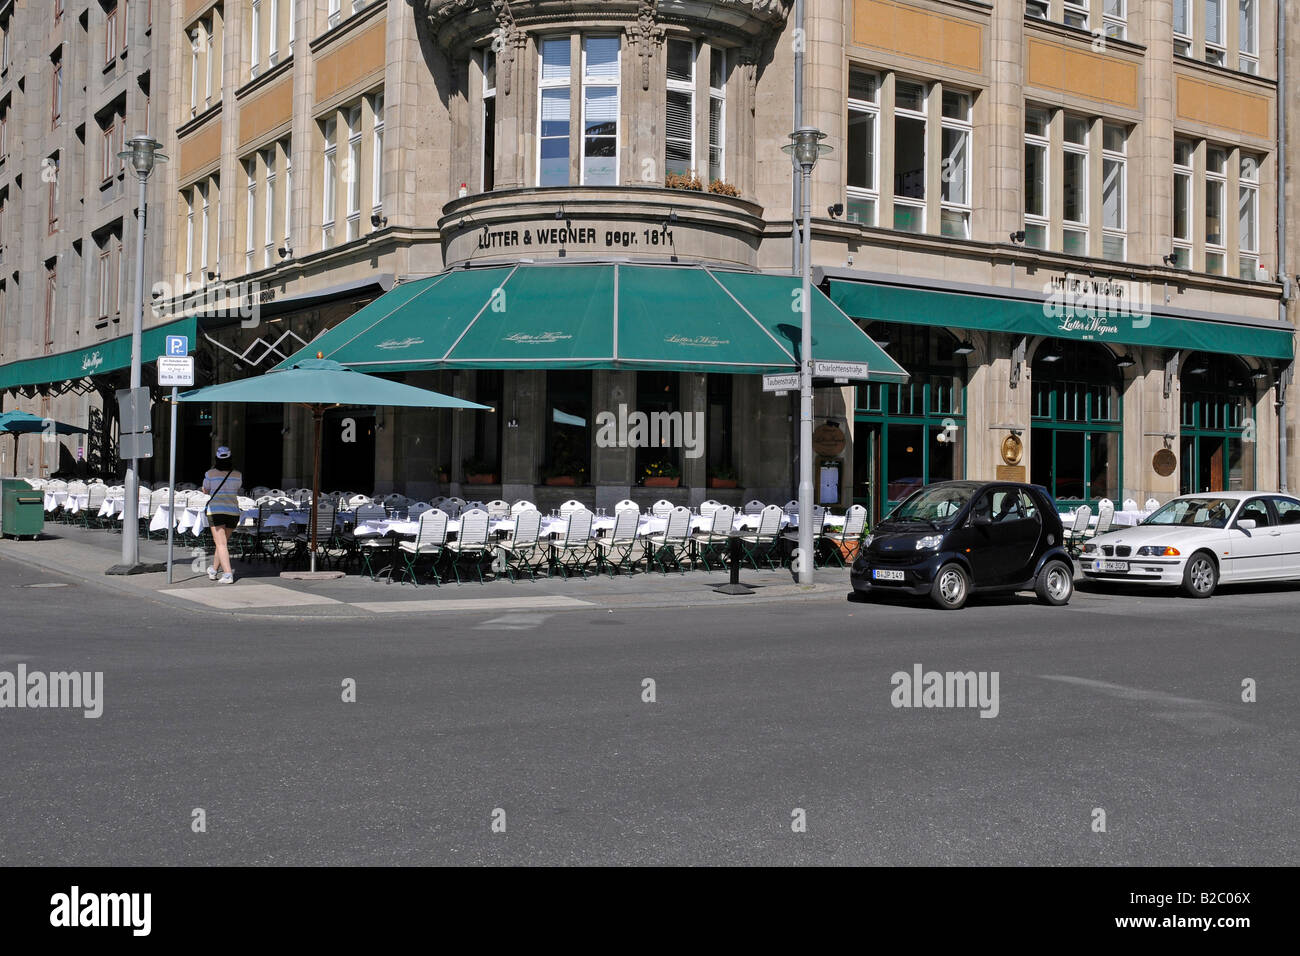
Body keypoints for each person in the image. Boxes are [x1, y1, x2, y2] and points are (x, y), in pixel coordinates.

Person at [203, 447, 243, 584]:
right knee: (222, 543)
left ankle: (227, 574)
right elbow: (237, 488)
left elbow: (205, 490)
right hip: (233, 511)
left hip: (216, 511)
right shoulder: (238, 475)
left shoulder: (210, 473)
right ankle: (213, 570)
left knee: (221, 543)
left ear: (217, 459)